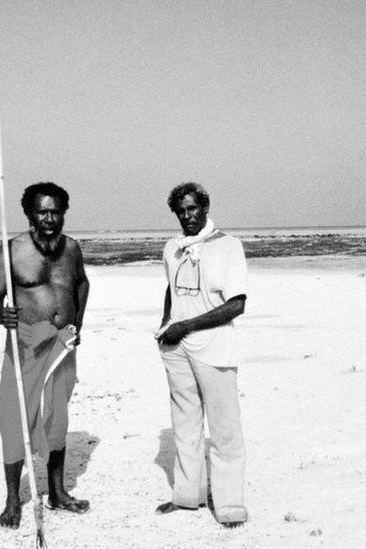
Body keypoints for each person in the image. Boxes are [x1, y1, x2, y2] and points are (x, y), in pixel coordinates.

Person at [0, 182, 91, 528]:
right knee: (14, 420)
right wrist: (2, 316)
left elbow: (82, 284)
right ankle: (13, 502)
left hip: (63, 342)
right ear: (30, 214)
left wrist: (78, 324)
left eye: (56, 211)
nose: (49, 218)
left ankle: (58, 493)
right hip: (27, 344)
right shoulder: (10, 251)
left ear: (64, 213)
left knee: (57, 418)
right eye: (42, 211)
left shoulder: (71, 249)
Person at [154, 182, 248, 528]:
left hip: (214, 346)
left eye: (192, 208)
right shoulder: (172, 248)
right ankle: (186, 496)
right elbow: (171, 287)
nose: (187, 215)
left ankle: (229, 504)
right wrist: (166, 324)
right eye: (180, 210)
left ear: (205, 207)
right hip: (176, 348)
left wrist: (187, 325)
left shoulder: (229, 246)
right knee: (185, 424)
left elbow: (236, 304)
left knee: (225, 430)